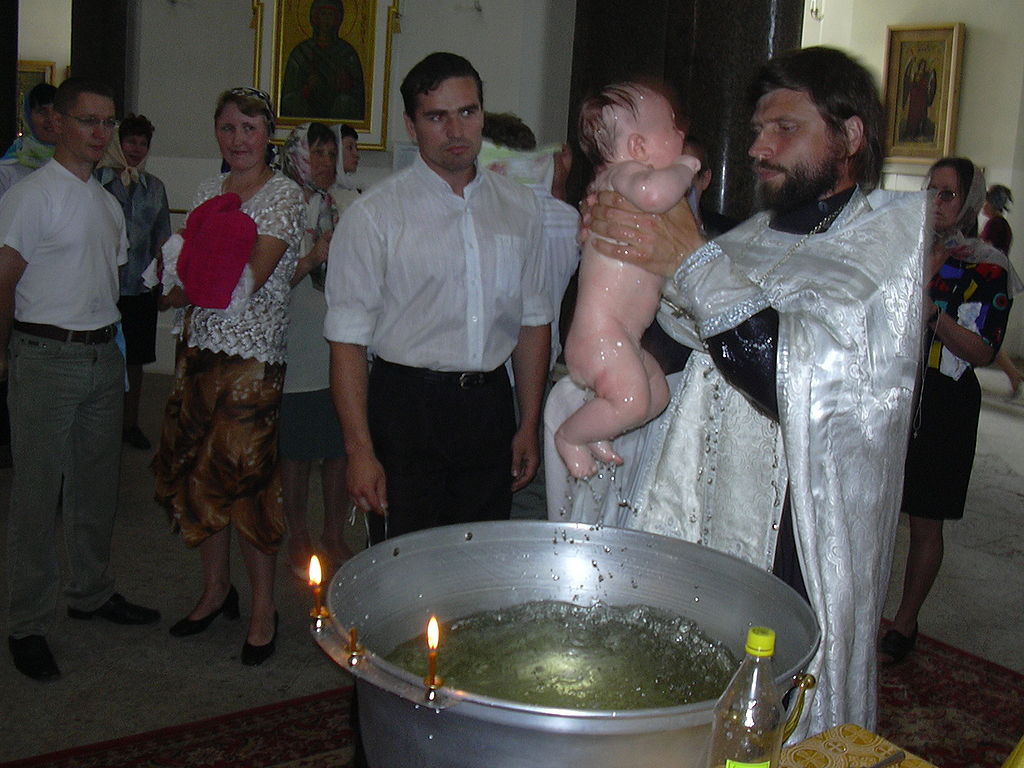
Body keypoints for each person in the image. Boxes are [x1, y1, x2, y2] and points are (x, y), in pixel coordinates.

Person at [546, 47, 928, 737]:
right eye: (756, 129)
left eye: (784, 127)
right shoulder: (749, 237)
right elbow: (676, 348)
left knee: (772, 715)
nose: (757, 146)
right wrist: (613, 256)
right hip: (700, 520)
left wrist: (686, 260)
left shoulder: (881, 245)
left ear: (850, 136)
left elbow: (793, 378)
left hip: (794, 536)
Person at [324, 52, 550, 544]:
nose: (455, 130)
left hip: (489, 404)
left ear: (483, 115)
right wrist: (359, 449)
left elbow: (533, 321)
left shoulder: (521, 209)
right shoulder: (374, 216)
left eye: (467, 112)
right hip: (407, 407)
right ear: (411, 124)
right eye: (436, 116)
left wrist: (528, 421)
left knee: (480, 553)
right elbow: (345, 342)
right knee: (405, 557)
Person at [0, 77, 161, 682]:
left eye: (107, 122)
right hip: (45, 356)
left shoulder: (105, 201)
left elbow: (109, 281)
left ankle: (91, 592)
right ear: (59, 123)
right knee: (38, 495)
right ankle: (27, 622)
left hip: (102, 358)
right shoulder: (31, 195)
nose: (100, 133)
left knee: (97, 489)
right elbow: (3, 279)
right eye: (88, 120)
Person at [152, 87, 304, 666]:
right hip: (197, 351)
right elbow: (185, 280)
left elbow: (245, 280)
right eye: (226, 128)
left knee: (246, 483)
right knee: (195, 472)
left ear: (269, 133)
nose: (237, 140)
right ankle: (216, 591)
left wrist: (185, 269)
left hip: (251, 360)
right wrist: (173, 280)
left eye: (248, 128)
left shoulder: (283, 196)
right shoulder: (208, 190)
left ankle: (264, 606)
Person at [880, 158, 1015, 664]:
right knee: (876, 510)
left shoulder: (987, 266)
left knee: (925, 519)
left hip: (944, 400)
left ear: (970, 201)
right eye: (929, 190)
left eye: (948, 194)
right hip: (892, 388)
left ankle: (906, 621)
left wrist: (931, 311)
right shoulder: (902, 247)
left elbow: (981, 351)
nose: (935, 203)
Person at [554, 83, 698, 478]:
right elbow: (654, 194)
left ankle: (599, 426)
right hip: (601, 336)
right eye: (671, 127)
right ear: (637, 147)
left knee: (657, 395)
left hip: (619, 338)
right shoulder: (627, 176)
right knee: (634, 401)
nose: (681, 135)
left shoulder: (616, 182)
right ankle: (569, 436)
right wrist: (685, 168)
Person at [279, 121, 359, 578]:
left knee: (338, 444)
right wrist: (315, 255)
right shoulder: (280, 205)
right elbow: (267, 280)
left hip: (339, 337)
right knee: (295, 449)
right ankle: (298, 533)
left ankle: (332, 531)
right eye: (318, 153)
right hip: (296, 338)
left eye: (332, 153)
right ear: (298, 156)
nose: (328, 162)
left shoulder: (348, 203)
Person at [96, 114, 172, 450]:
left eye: (143, 143)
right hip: (105, 288)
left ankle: (130, 424)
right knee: (104, 359)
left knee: (136, 360)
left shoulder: (154, 187)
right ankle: (102, 425)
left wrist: (162, 282)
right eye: (131, 142)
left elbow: (163, 238)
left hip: (141, 287)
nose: (136, 149)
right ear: (119, 143)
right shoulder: (98, 182)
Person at [281, 0, 365, 121]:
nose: (326, 20)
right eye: (323, 14)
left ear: (338, 19)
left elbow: (358, 96)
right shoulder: (301, 53)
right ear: (315, 17)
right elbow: (288, 97)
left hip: (338, 115)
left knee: (345, 102)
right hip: (307, 114)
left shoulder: (347, 53)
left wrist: (345, 85)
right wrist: (306, 88)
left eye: (331, 15)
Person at [979, 184, 1022, 395]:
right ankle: (1013, 373)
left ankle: (1013, 373)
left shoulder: (995, 225)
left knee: (985, 332)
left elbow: (985, 251)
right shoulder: (998, 225)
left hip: (992, 283)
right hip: (994, 280)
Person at [0, 83, 59, 198]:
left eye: (56, 112)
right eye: (42, 112)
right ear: (28, 117)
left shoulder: (75, 164)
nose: (51, 119)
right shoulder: (7, 171)